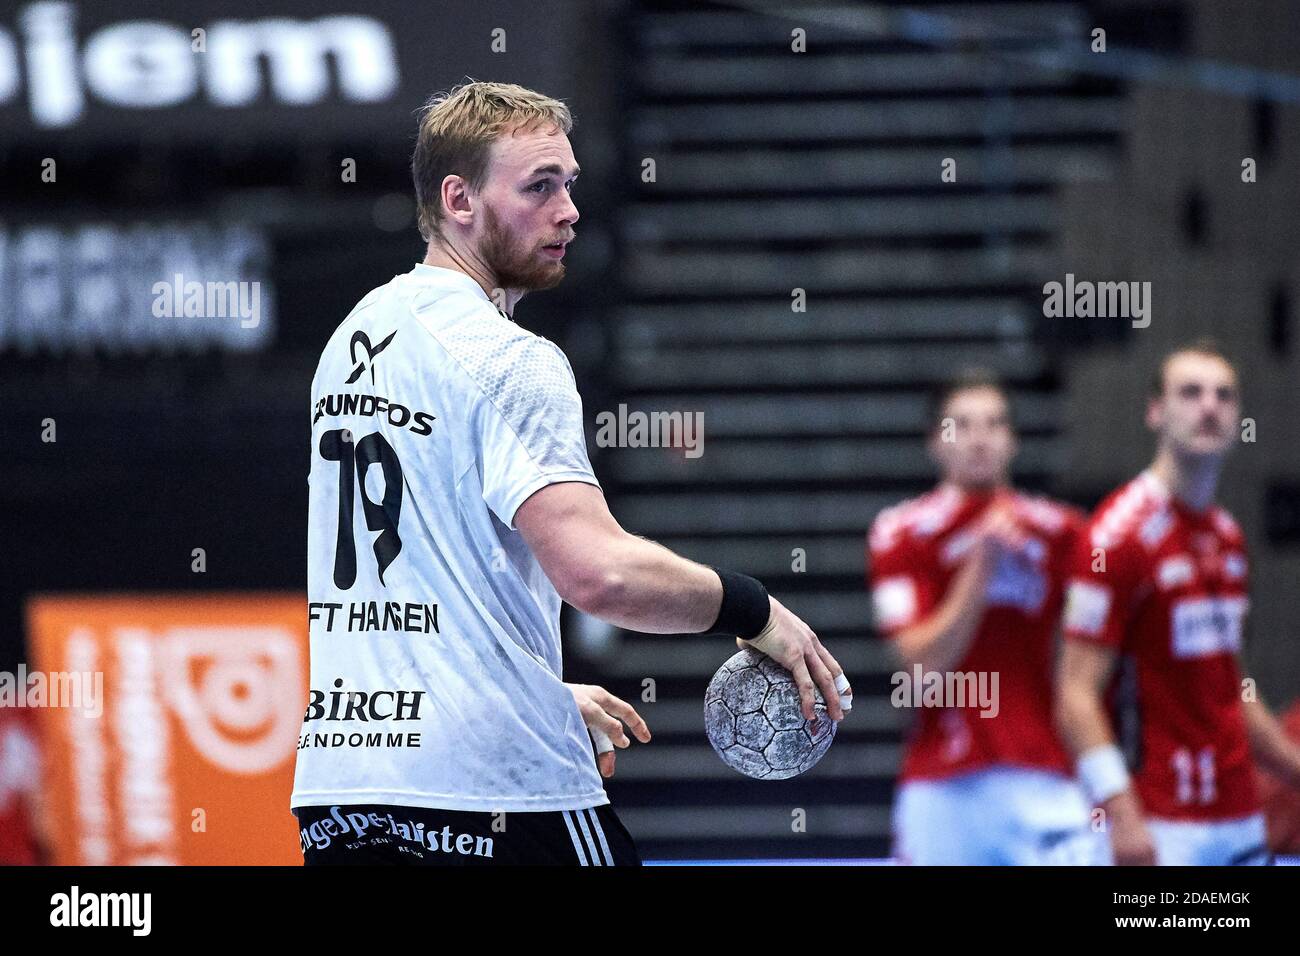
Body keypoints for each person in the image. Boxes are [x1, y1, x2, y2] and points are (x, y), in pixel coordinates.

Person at [290, 80, 849, 865]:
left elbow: (419, 583)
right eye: (539, 187)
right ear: (458, 198)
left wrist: (529, 695)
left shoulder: (355, 336)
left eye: (571, 185)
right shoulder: (510, 358)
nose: (569, 211)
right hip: (491, 795)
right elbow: (600, 575)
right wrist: (756, 611)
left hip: (345, 792)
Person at [1057, 341, 1300, 865]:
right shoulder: (1115, 537)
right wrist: (1121, 815)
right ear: (1155, 412)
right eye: (1190, 393)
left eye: (1223, 396)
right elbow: (1075, 693)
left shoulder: (1228, 538)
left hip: (1240, 819)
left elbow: (1228, 688)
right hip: (1158, 826)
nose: (1209, 406)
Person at [868, 370, 1101, 864]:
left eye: (994, 424)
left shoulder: (1064, 533)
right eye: (961, 426)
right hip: (941, 783)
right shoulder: (902, 533)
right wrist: (981, 567)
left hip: (1045, 774)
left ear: (1013, 440)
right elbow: (919, 672)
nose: (979, 439)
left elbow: (1092, 659)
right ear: (935, 441)